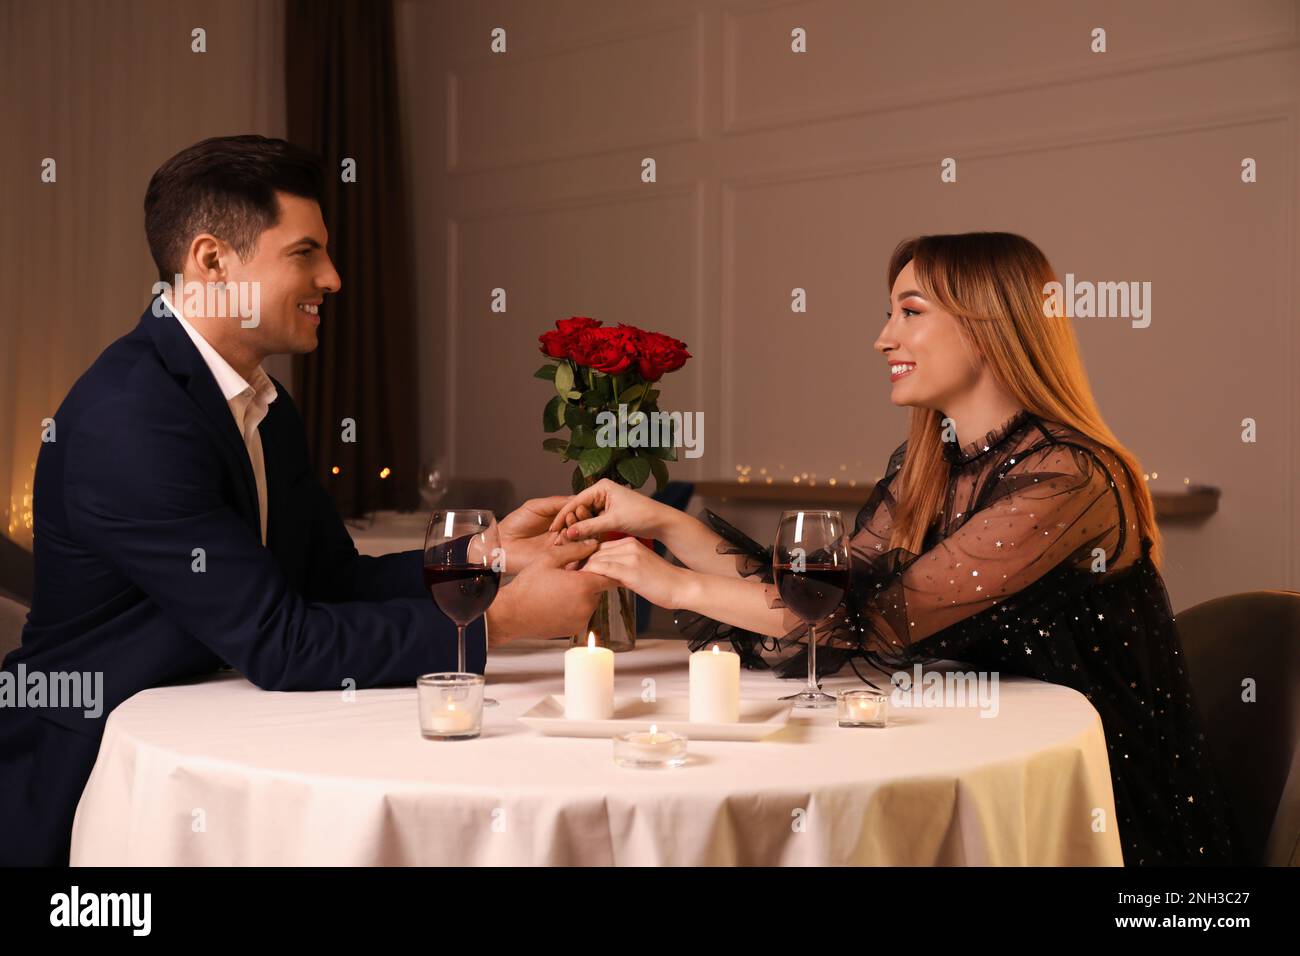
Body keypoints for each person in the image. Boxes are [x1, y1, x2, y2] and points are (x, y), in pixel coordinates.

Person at [0, 135, 607, 866]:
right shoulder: (130, 418)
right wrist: (498, 620)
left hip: (226, 730)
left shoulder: (263, 402)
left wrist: (486, 556)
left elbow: (329, 579)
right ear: (212, 262)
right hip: (94, 779)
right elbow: (281, 642)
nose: (334, 278)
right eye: (305, 254)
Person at [550, 232, 1240, 866]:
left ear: (989, 324)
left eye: (910, 312)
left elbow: (863, 624)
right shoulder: (929, 466)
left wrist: (671, 586)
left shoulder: (1069, 478)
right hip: (979, 765)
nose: (884, 339)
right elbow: (816, 601)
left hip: (1092, 810)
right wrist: (668, 526)